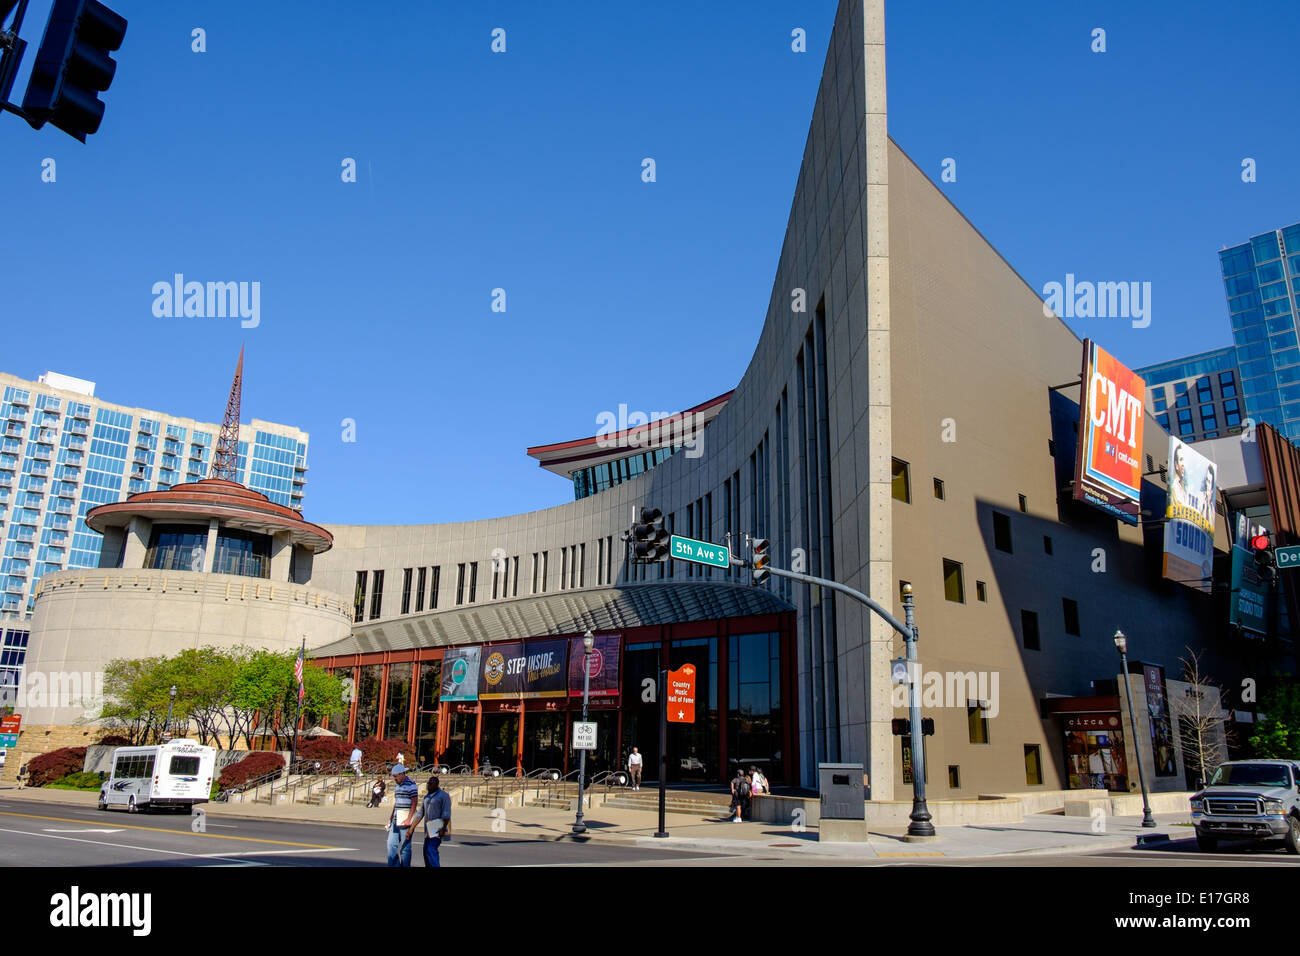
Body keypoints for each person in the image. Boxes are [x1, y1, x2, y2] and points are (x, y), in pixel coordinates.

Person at [404, 775, 453, 867]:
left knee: (431, 850)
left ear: (437, 784)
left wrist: (443, 828)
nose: (428, 785)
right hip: (428, 830)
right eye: (428, 783)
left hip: (438, 828)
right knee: (426, 852)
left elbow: (446, 814)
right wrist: (411, 829)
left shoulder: (444, 796)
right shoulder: (426, 797)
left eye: (431, 783)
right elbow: (420, 814)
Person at [386, 764, 420, 867]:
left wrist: (409, 819)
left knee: (405, 847)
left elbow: (414, 802)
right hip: (396, 819)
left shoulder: (411, 784)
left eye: (396, 776)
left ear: (402, 774)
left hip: (406, 820)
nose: (394, 779)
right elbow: (396, 803)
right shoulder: (397, 786)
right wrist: (390, 818)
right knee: (391, 844)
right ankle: (394, 865)